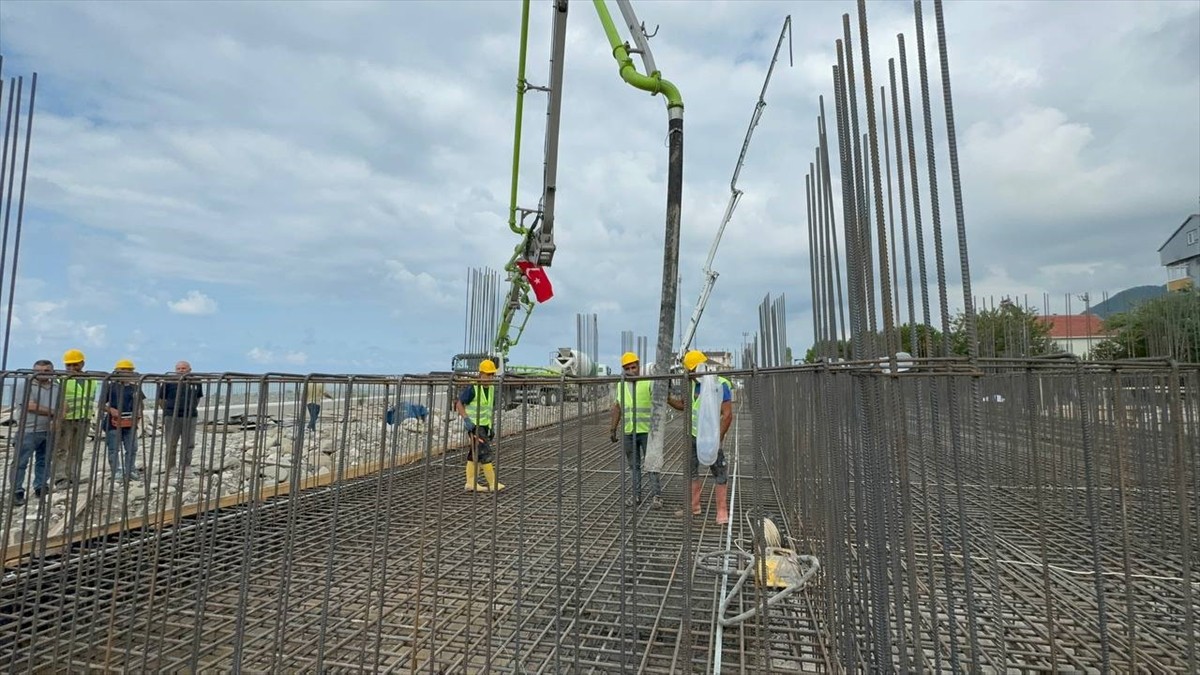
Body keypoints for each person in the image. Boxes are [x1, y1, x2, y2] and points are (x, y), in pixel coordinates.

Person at [667, 350, 734, 524]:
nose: (688, 374)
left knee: (719, 471)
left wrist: (718, 438)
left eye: (691, 370)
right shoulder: (689, 384)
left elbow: (727, 415)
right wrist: (667, 399)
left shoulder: (720, 384)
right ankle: (694, 507)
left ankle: (722, 512)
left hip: (711, 437)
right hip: (693, 436)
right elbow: (684, 405)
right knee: (691, 471)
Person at [608, 352, 662, 508]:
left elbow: (659, 404)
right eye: (628, 368)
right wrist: (613, 429)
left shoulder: (648, 382)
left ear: (639, 365)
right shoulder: (621, 385)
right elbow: (617, 407)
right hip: (629, 432)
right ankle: (636, 496)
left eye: (634, 367)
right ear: (623, 369)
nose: (631, 370)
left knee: (652, 464)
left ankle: (657, 496)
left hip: (647, 431)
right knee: (634, 466)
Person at [10, 360, 59, 506]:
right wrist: (53, 412)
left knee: (44, 461)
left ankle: (40, 487)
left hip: (48, 430)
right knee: (20, 462)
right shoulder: (26, 384)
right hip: (28, 430)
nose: (42, 374)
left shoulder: (56, 386)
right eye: (38, 371)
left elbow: (62, 404)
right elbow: (30, 406)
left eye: (46, 371)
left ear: (52, 371)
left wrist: (58, 418)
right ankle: (17, 491)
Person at [454, 358, 505, 492]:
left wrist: (491, 426)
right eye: (488, 374)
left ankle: (470, 483)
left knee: (474, 454)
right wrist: (466, 420)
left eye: (492, 374)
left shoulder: (492, 388)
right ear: (480, 374)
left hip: (484, 426)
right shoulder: (473, 388)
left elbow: (488, 409)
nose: (490, 377)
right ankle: (493, 483)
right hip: (474, 426)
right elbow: (459, 404)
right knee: (485, 453)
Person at [54, 348, 95, 488]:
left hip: (84, 418)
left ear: (82, 364)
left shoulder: (91, 380)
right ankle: (60, 479)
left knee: (77, 449)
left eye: (75, 364)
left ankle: (73, 476)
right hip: (66, 419)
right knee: (62, 449)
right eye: (68, 365)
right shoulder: (61, 379)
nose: (71, 368)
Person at [101, 359, 145, 481]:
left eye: (129, 371)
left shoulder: (135, 387)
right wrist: (111, 410)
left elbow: (141, 403)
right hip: (112, 423)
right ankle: (117, 472)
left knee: (132, 448)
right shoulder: (111, 386)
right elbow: (101, 404)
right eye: (123, 371)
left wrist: (139, 412)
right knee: (114, 449)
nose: (127, 373)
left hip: (130, 423)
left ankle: (130, 469)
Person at [157, 360, 204, 476]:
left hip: (190, 416)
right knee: (171, 442)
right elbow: (161, 399)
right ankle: (170, 467)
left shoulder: (196, 381)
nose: (181, 371)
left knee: (188, 443)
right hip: (172, 415)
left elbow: (198, 398)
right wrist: (169, 410)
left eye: (183, 368)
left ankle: (186, 467)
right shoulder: (169, 381)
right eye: (178, 368)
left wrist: (190, 407)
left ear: (189, 370)